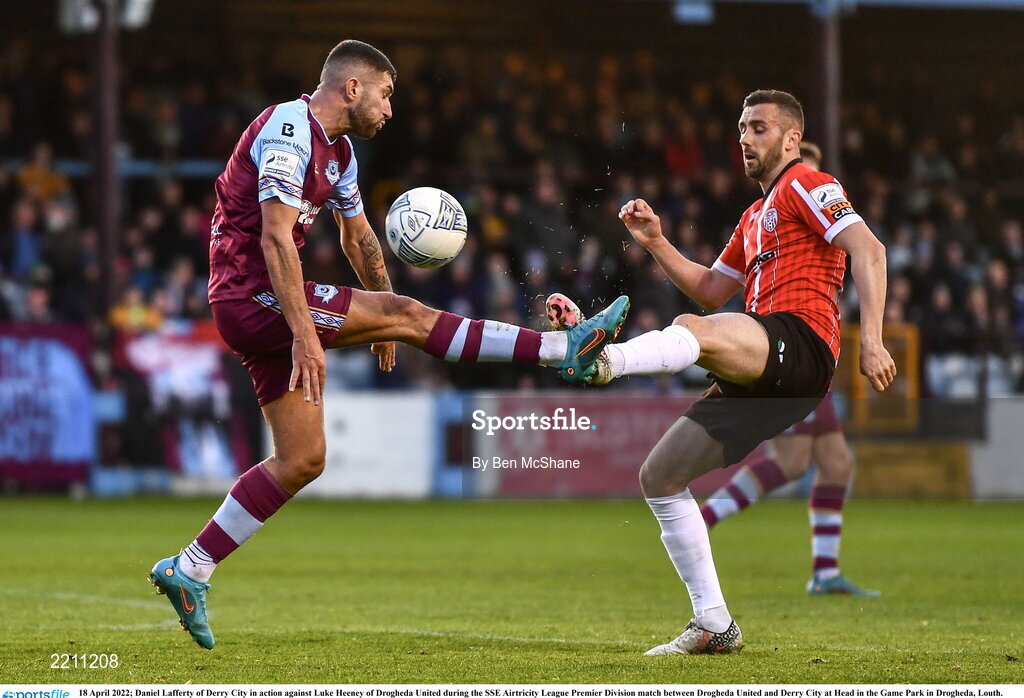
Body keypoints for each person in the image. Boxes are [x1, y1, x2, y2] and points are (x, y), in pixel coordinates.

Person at [148, 40, 629, 650]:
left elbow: (359, 240)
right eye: (387, 94)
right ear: (352, 87)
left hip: (264, 302)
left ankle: (190, 568)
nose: (391, 109)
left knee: (303, 459)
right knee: (408, 315)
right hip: (251, 296)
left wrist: (382, 314)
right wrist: (310, 333)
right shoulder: (288, 130)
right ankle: (564, 351)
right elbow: (273, 241)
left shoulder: (341, 152)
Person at [553, 90, 894, 655]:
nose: (745, 138)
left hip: (803, 342)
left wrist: (874, 340)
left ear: (790, 138)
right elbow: (713, 289)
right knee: (659, 477)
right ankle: (714, 623)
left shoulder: (806, 183)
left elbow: (871, 251)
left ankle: (603, 362)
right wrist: (657, 242)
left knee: (695, 327)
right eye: (741, 129)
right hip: (765, 371)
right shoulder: (754, 215)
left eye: (759, 128)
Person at [700, 141, 880, 598]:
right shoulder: (772, 213)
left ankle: (824, 571)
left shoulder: (824, 216)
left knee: (836, 463)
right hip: (783, 352)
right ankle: (707, 519)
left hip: (811, 355)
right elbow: (714, 288)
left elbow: (863, 257)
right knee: (795, 460)